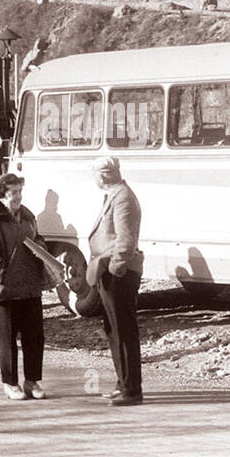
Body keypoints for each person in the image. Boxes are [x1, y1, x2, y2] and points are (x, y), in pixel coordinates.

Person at [0, 173, 48, 400]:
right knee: (7, 339)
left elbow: (38, 238)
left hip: (29, 286)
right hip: (4, 289)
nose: (18, 197)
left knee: (34, 337)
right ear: (1, 195)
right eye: (13, 193)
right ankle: (10, 382)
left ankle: (32, 381)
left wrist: (39, 247)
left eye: (19, 192)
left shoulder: (27, 216)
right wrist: (3, 276)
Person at [87, 155, 143, 406]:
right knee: (115, 330)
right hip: (108, 270)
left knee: (122, 331)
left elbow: (126, 240)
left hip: (117, 272)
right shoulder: (116, 195)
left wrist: (116, 269)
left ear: (102, 175)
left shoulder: (123, 199)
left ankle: (132, 390)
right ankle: (124, 382)